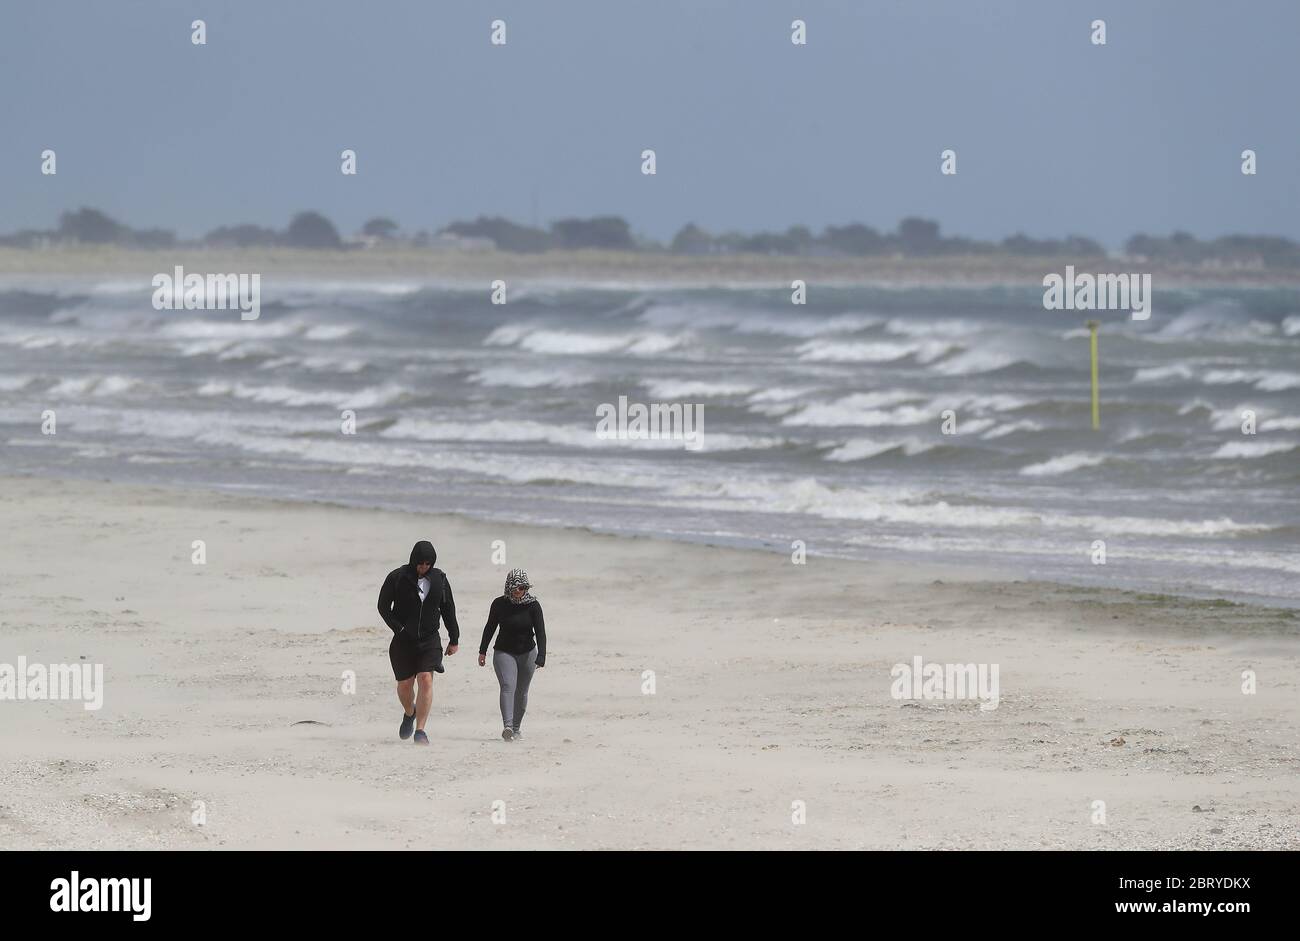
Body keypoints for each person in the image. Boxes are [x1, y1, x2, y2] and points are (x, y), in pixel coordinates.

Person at [377, 541, 460, 745]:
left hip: (429, 639)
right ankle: (409, 712)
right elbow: (383, 607)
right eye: (421, 563)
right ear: (414, 561)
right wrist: (400, 628)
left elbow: (448, 609)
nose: (424, 567)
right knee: (405, 686)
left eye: (428, 564)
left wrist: (454, 638)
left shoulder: (439, 579)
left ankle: (421, 731)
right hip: (403, 641)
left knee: (425, 679)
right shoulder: (397, 577)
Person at [478, 568, 546, 741]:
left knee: (522, 692)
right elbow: (490, 628)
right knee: (508, 686)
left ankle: (516, 728)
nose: (519, 591)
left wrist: (542, 656)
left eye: (523, 587)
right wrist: (482, 651)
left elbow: (540, 632)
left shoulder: (533, 606)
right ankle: (507, 726)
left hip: (528, 653)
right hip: (504, 652)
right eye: (516, 587)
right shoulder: (499, 604)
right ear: (509, 586)